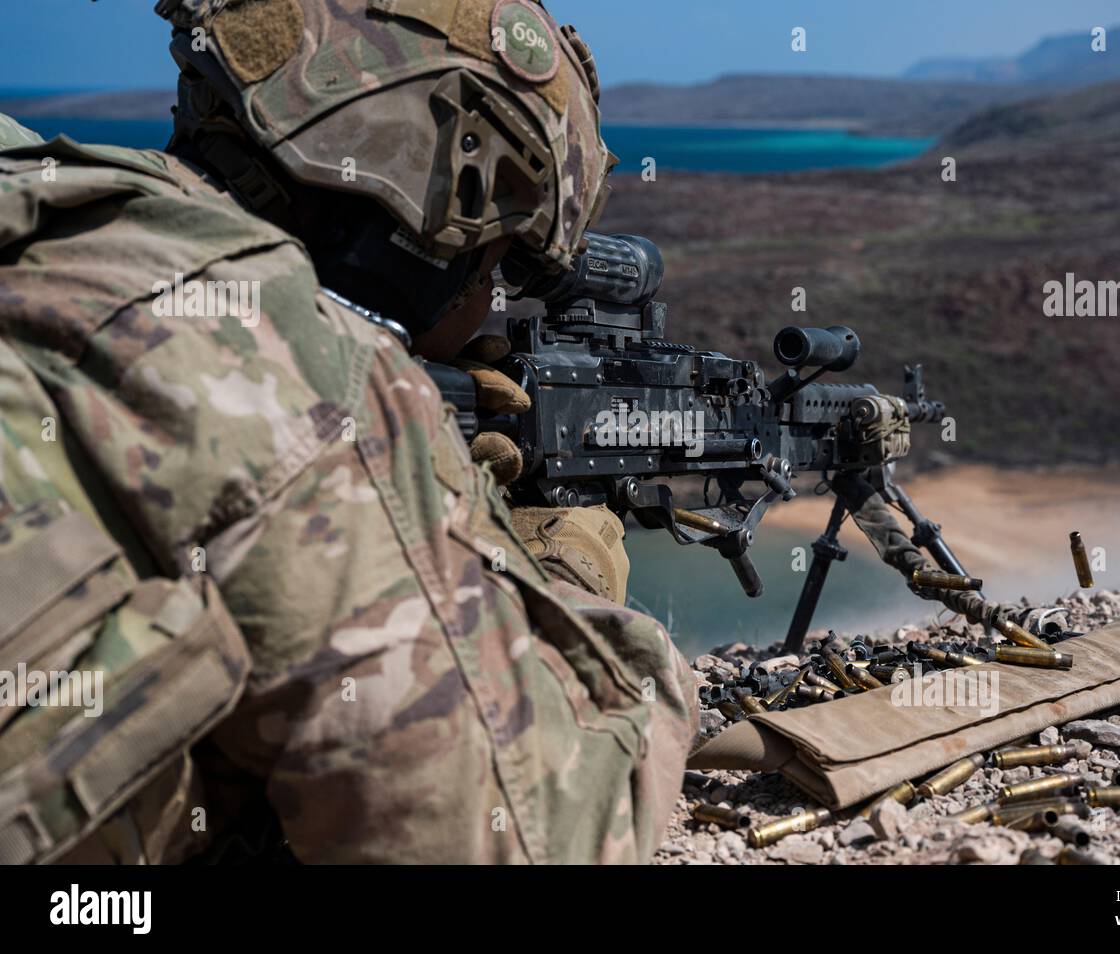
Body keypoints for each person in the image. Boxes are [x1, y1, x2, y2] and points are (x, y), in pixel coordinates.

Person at [0, 0, 696, 864]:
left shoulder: (36, 197)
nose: (493, 304)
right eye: (505, 263)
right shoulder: (299, 364)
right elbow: (532, 833)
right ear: (452, 192)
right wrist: (560, 576)